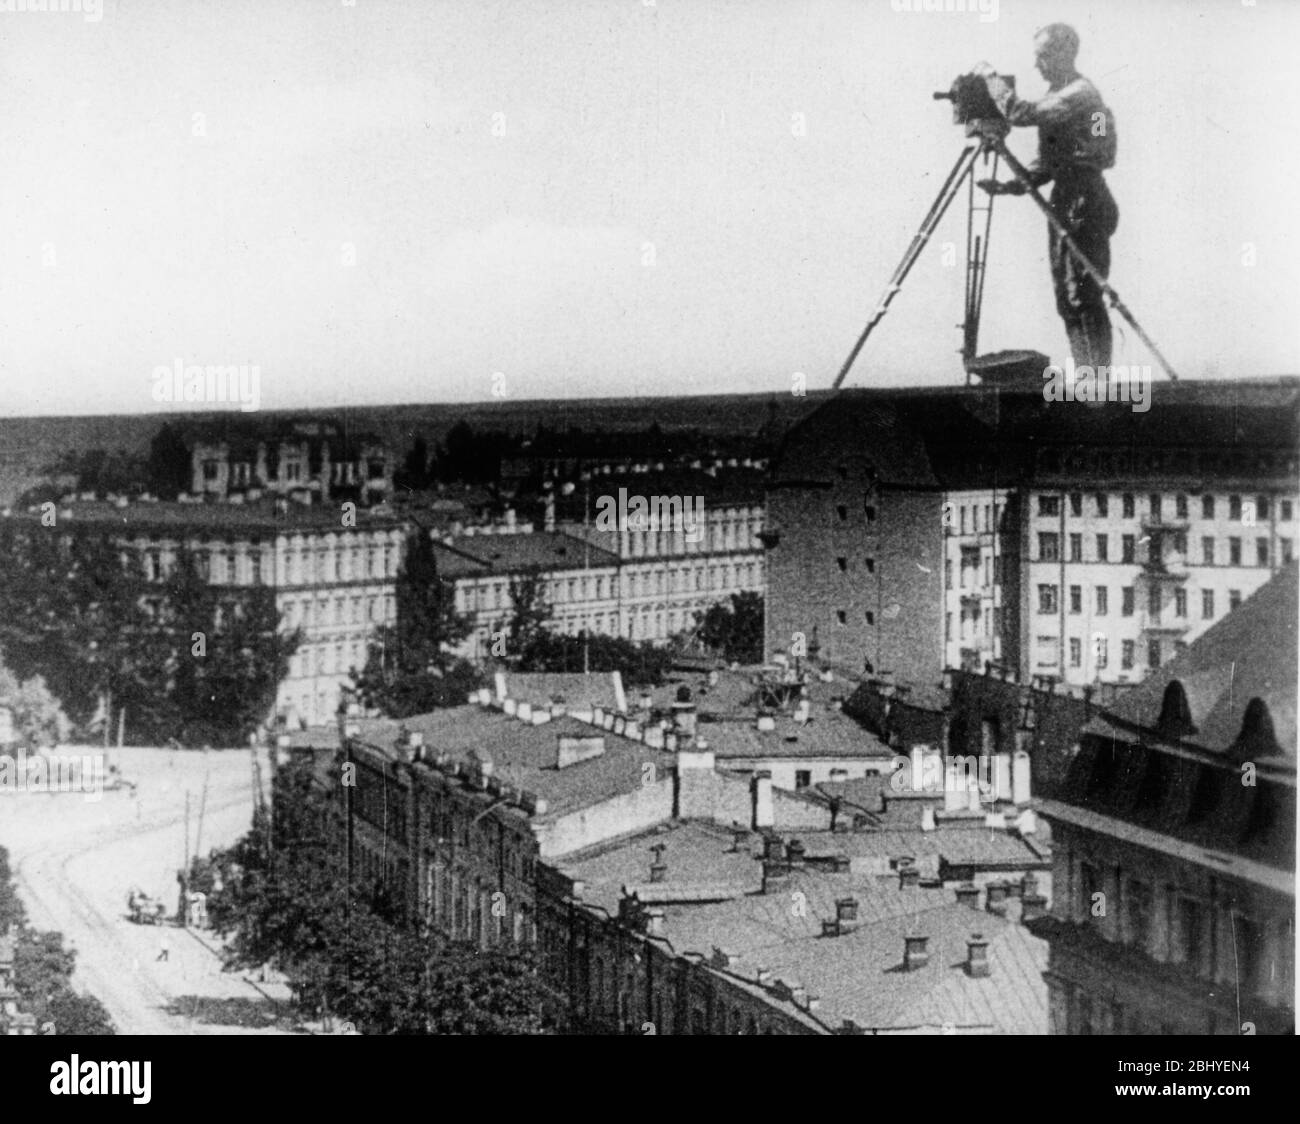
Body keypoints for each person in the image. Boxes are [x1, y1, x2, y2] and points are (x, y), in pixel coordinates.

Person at [975, 24, 1118, 369]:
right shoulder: (1063, 94)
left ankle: (1095, 379)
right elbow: (1051, 161)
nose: (1036, 65)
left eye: (1042, 56)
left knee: (1081, 293)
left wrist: (992, 80)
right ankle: (1089, 375)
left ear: (1064, 54)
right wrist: (1012, 186)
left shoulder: (1080, 94)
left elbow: (1023, 114)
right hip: (1067, 196)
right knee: (1067, 299)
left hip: (1084, 200)